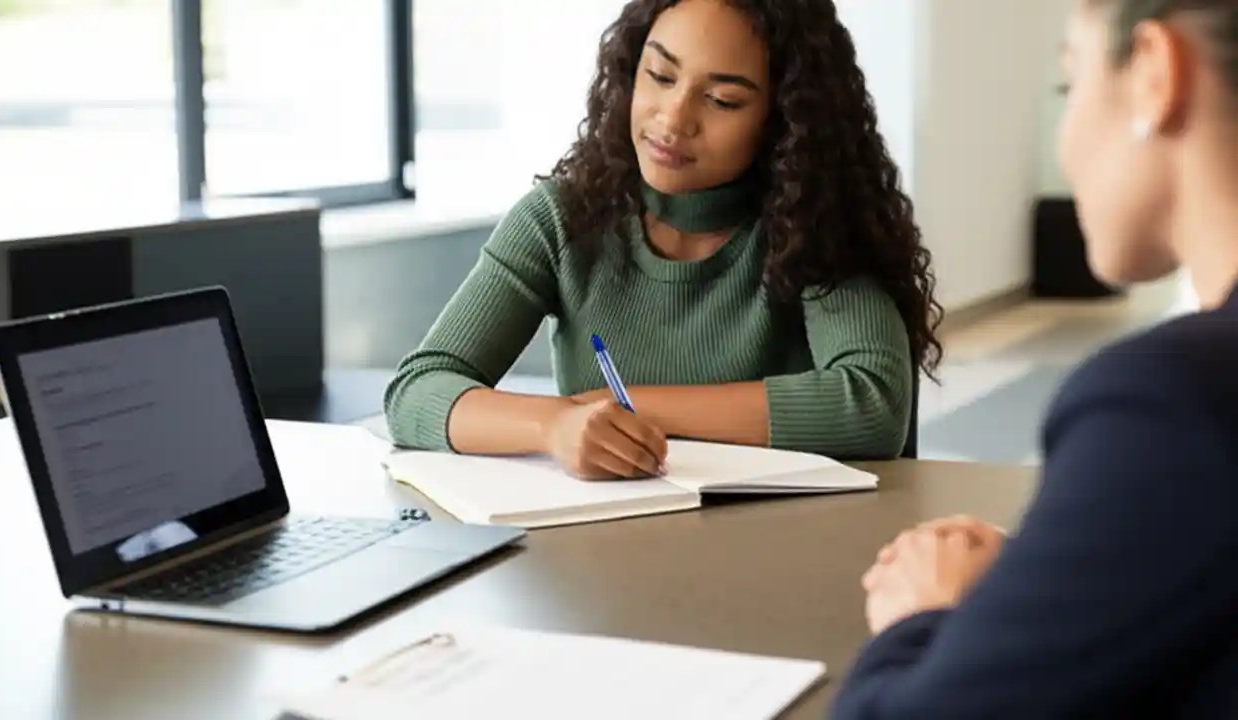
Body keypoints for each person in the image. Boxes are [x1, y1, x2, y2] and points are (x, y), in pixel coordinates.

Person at [832, 0, 1238, 717]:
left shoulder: (1170, 402)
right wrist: (1073, 565)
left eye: (1070, 83)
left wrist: (926, 616)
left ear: (1152, 72)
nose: (1068, 141)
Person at [385, 0, 942, 479]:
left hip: (780, 556)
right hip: (603, 562)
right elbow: (417, 390)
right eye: (660, 76)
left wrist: (621, 405)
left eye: (722, 100)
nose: (674, 119)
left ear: (784, 121)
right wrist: (551, 424)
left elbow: (872, 404)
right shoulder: (559, 219)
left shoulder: (813, 220)